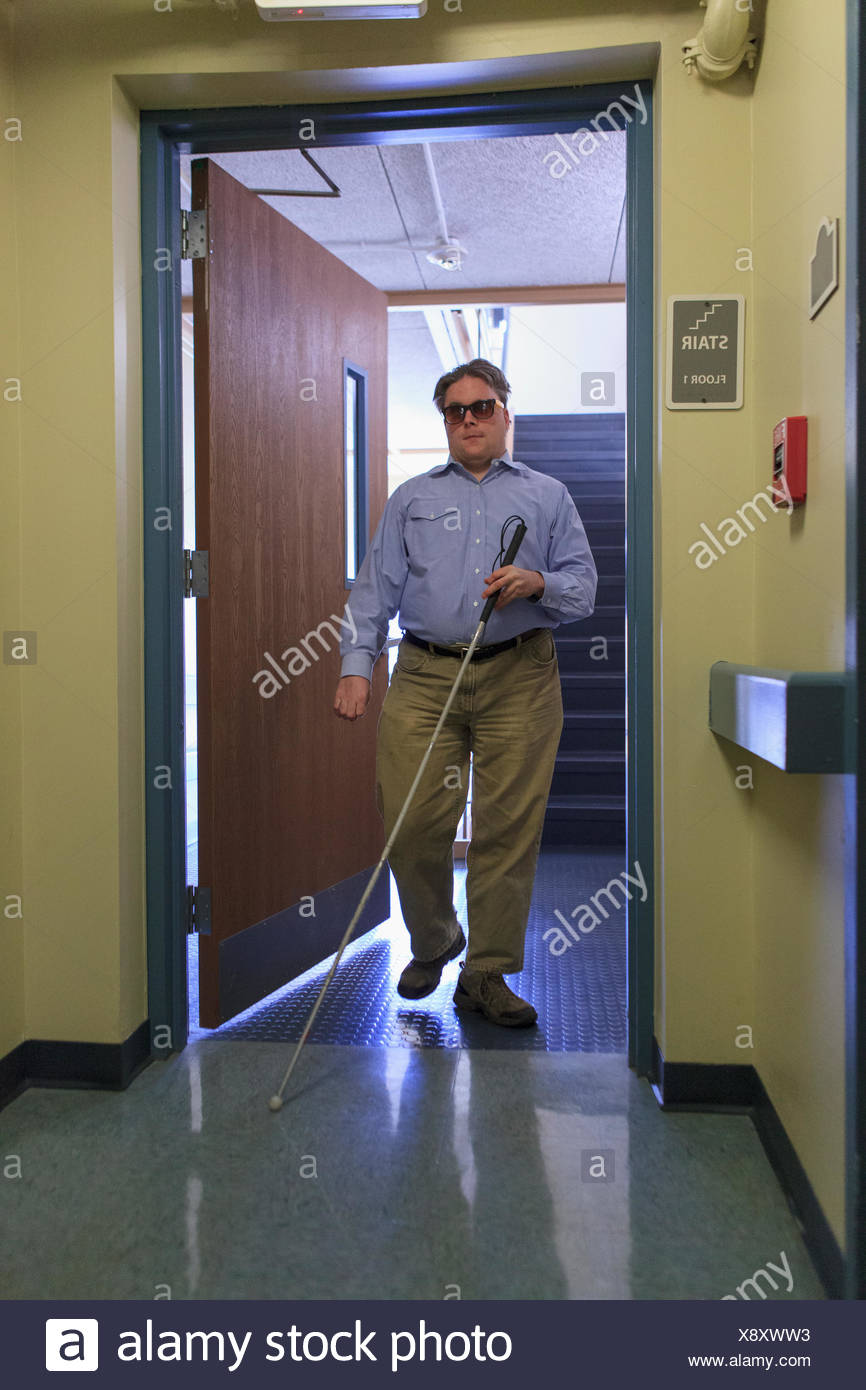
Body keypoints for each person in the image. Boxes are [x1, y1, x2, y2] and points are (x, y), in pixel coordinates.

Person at [333, 359, 597, 1027]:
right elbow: (374, 592)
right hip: (425, 676)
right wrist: (356, 666)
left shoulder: (549, 495)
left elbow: (583, 588)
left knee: (507, 831)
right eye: (457, 410)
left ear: (506, 414)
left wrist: (537, 583)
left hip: (521, 673)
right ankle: (437, 940)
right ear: (445, 421)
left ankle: (486, 974)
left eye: (484, 406)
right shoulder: (411, 498)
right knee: (410, 822)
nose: (471, 419)